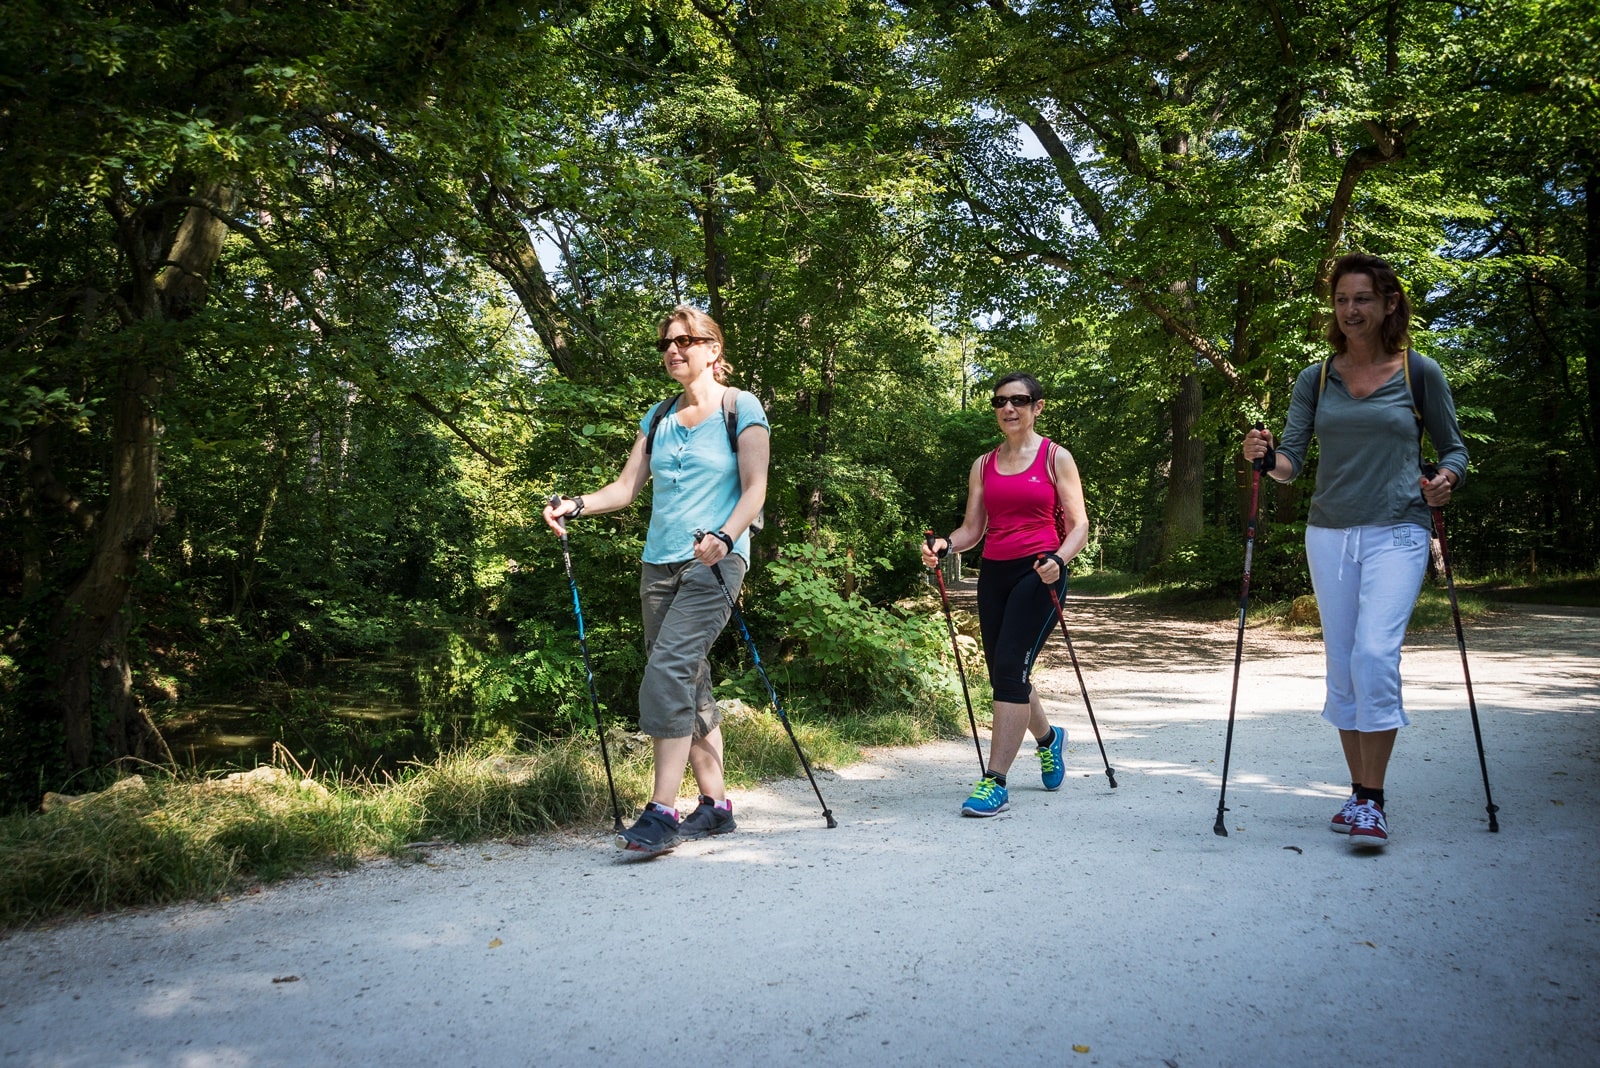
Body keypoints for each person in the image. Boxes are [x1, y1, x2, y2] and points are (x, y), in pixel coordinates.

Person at [1243, 252, 1468, 850]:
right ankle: (1359, 793)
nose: (1350, 310)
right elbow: (1291, 462)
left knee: (1374, 654)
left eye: (1362, 298)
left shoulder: (1419, 372)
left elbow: (1454, 450)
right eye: (1342, 300)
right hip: (1329, 532)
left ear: (1389, 303)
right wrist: (1265, 457)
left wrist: (1447, 479)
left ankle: (1373, 799)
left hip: (1399, 529)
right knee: (1342, 663)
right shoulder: (1317, 378)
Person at [543, 305, 769, 856]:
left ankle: (661, 811)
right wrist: (575, 504)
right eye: (667, 342)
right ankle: (715, 806)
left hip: (715, 562)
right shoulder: (659, 415)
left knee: (668, 671)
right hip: (658, 564)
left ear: (712, 350)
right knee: (689, 678)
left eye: (686, 340)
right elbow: (625, 490)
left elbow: (755, 489)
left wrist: (725, 536)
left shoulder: (741, 407)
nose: (673, 350)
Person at [921, 373, 1090, 816]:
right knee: (1004, 674)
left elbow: (1080, 526)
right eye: (1000, 401)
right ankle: (1049, 739)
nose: (1008, 408)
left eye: (1019, 400)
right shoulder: (983, 464)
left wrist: (1060, 560)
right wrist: (946, 545)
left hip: (1040, 571)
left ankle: (995, 781)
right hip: (994, 572)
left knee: (1011, 670)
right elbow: (972, 529)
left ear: (1037, 406)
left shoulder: (1056, 457)